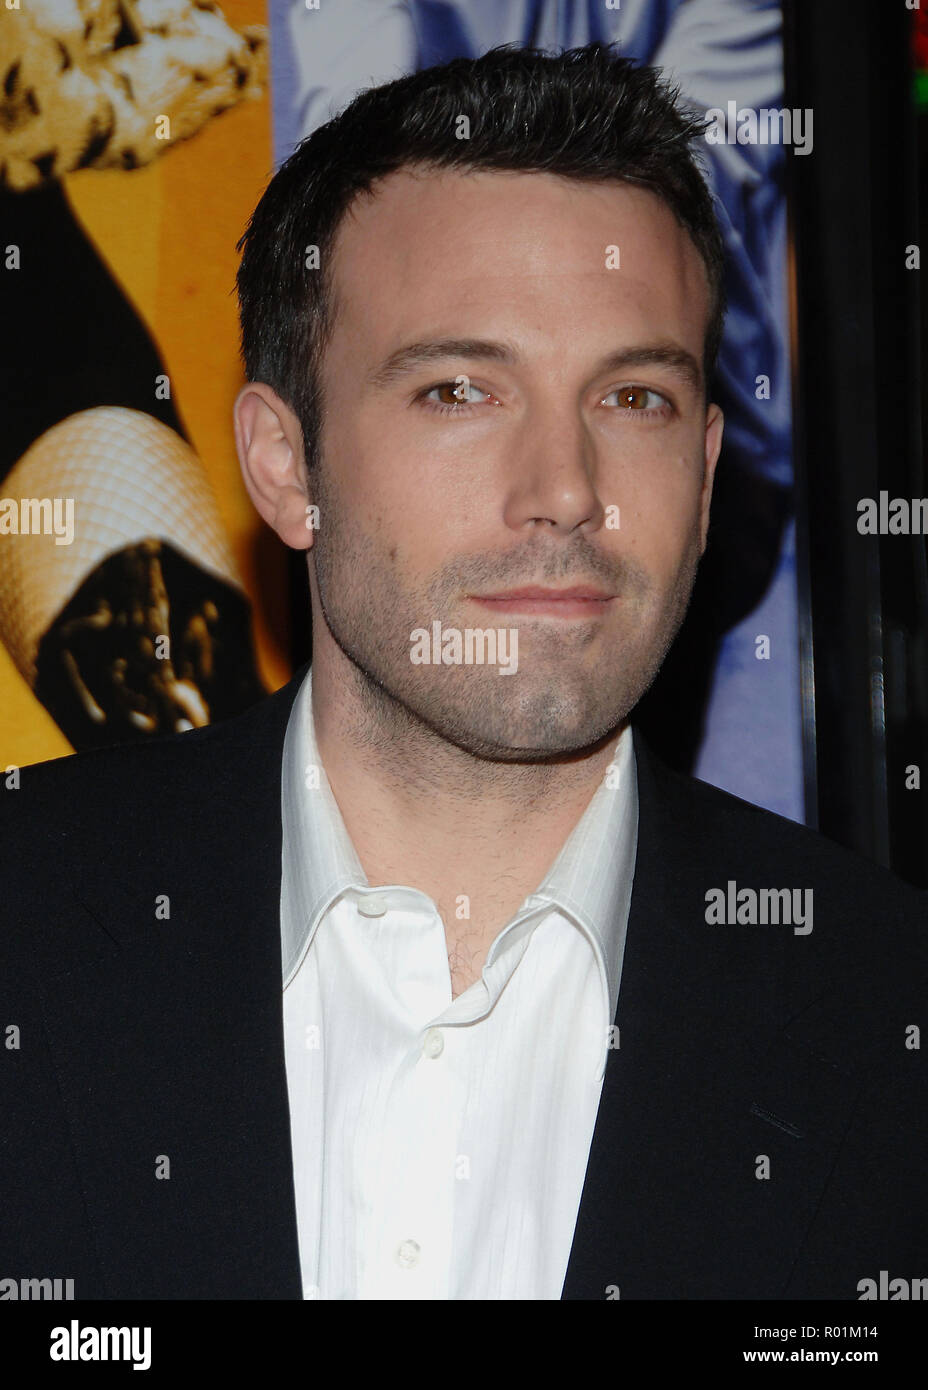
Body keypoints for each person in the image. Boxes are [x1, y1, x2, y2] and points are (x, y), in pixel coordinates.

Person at [1, 43, 925, 1302]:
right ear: (284, 465)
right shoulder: (31, 929)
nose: (564, 491)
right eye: (457, 389)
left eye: (635, 399)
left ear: (707, 477)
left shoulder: (883, 1016)